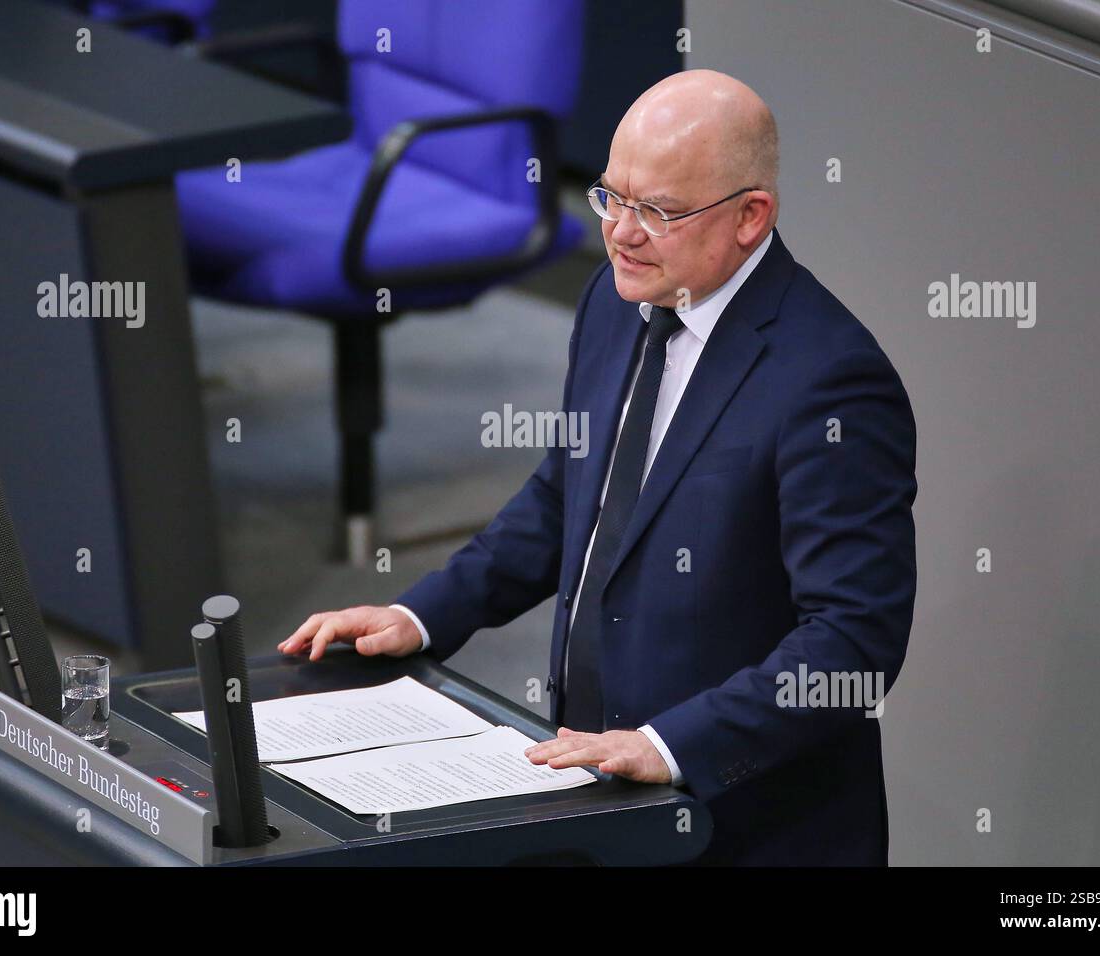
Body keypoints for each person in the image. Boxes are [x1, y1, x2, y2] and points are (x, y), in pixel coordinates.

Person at [279, 69, 917, 865]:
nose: (621, 230)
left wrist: (671, 745)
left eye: (658, 210)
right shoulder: (618, 299)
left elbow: (853, 640)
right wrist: (422, 617)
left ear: (752, 217)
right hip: (599, 796)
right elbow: (566, 498)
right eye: (612, 197)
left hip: (746, 823)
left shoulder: (829, 381)